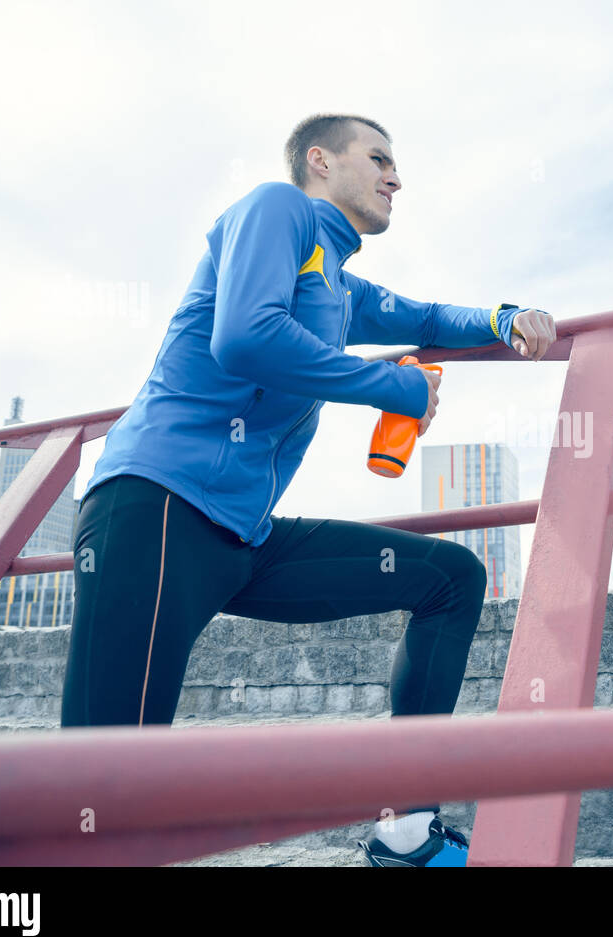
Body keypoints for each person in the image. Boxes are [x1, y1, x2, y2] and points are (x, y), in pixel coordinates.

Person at [61, 113, 557, 867]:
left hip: (244, 538)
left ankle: (405, 834)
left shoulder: (339, 285)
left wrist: (505, 314)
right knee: (98, 795)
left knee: (450, 577)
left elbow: (423, 316)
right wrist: (393, 387)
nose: (397, 177)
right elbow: (247, 334)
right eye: (380, 158)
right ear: (320, 161)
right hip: (157, 510)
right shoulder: (277, 209)